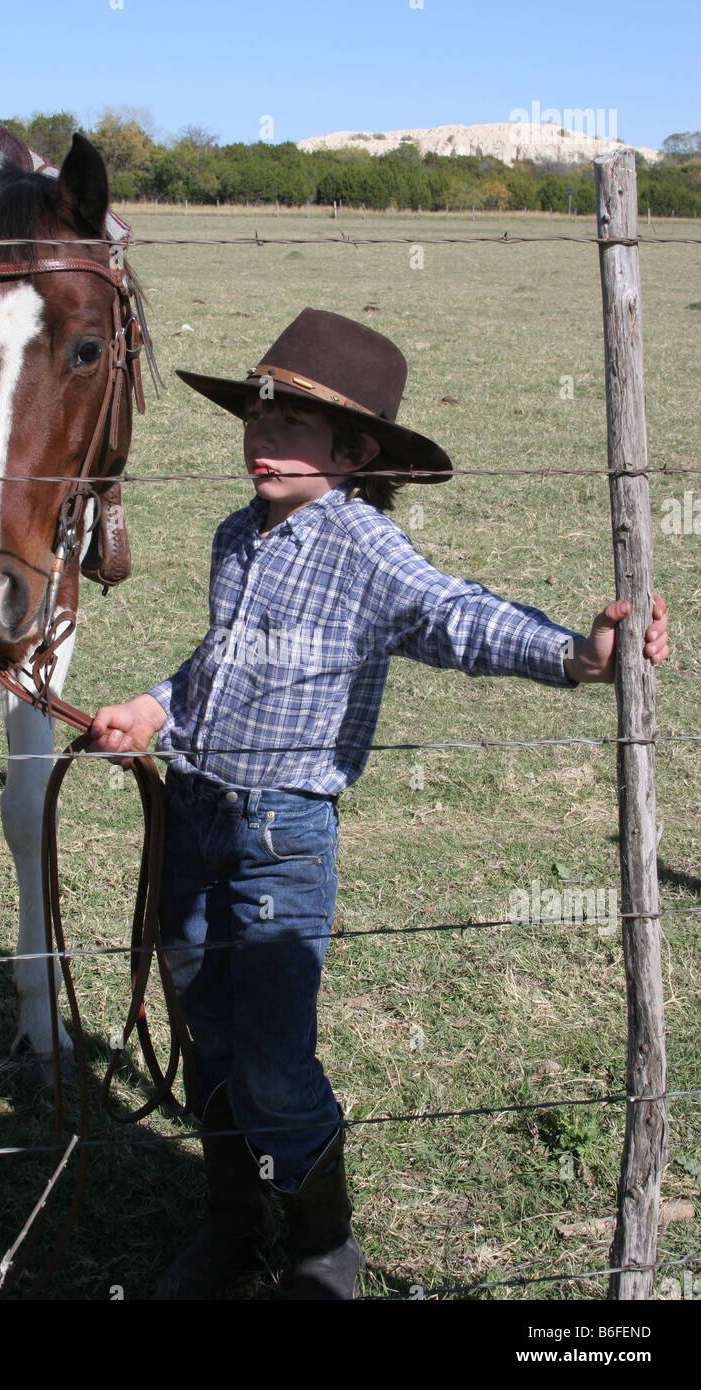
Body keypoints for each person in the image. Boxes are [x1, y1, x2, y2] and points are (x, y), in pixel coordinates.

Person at [89, 308, 669, 1301]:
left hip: (281, 838)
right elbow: (218, 664)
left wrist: (573, 655)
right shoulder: (238, 534)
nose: (260, 441)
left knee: (273, 1064)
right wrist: (153, 706)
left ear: (355, 452)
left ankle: (320, 1249)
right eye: (255, 418)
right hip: (192, 817)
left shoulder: (364, 549)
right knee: (207, 1031)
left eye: (290, 428)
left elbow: (455, 614)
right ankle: (232, 1225)